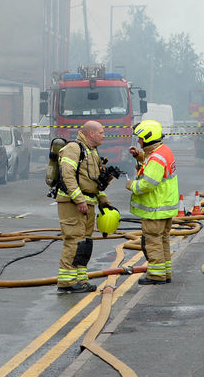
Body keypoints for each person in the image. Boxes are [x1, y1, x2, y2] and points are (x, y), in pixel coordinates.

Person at [53, 120, 115, 294]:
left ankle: (80, 279)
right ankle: (67, 282)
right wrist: (79, 199)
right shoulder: (74, 149)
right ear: (91, 134)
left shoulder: (92, 151)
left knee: (85, 243)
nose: (104, 135)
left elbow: (94, 181)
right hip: (73, 204)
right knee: (74, 240)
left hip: (88, 202)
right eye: (101, 132)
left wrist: (103, 200)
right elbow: (68, 176)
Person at [125, 119, 180, 284]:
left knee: (153, 241)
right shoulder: (162, 151)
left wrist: (132, 185)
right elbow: (151, 165)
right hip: (164, 207)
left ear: (148, 138)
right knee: (162, 241)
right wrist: (140, 156)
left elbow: (148, 183)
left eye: (140, 138)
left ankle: (156, 275)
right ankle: (165, 273)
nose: (139, 141)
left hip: (155, 208)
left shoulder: (156, 158)